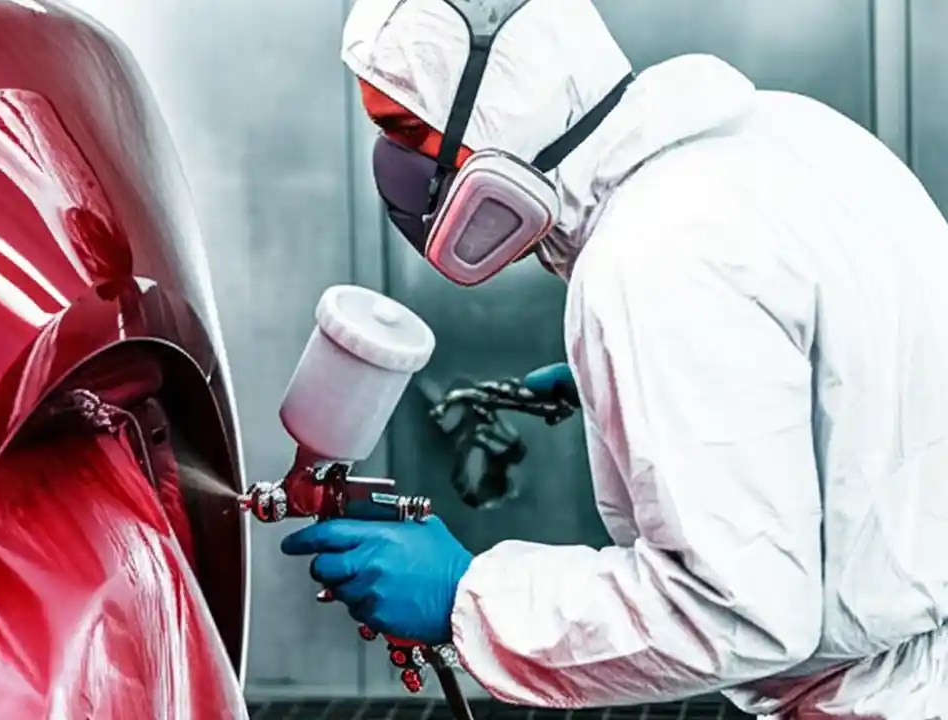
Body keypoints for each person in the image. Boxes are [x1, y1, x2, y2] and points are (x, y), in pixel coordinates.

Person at [281, 0, 948, 716]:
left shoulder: (657, 253)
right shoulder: (779, 132)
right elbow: (856, 360)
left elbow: (739, 613)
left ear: (504, 104)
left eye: (408, 132)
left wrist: (464, 596)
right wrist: (628, 382)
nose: (400, 170)